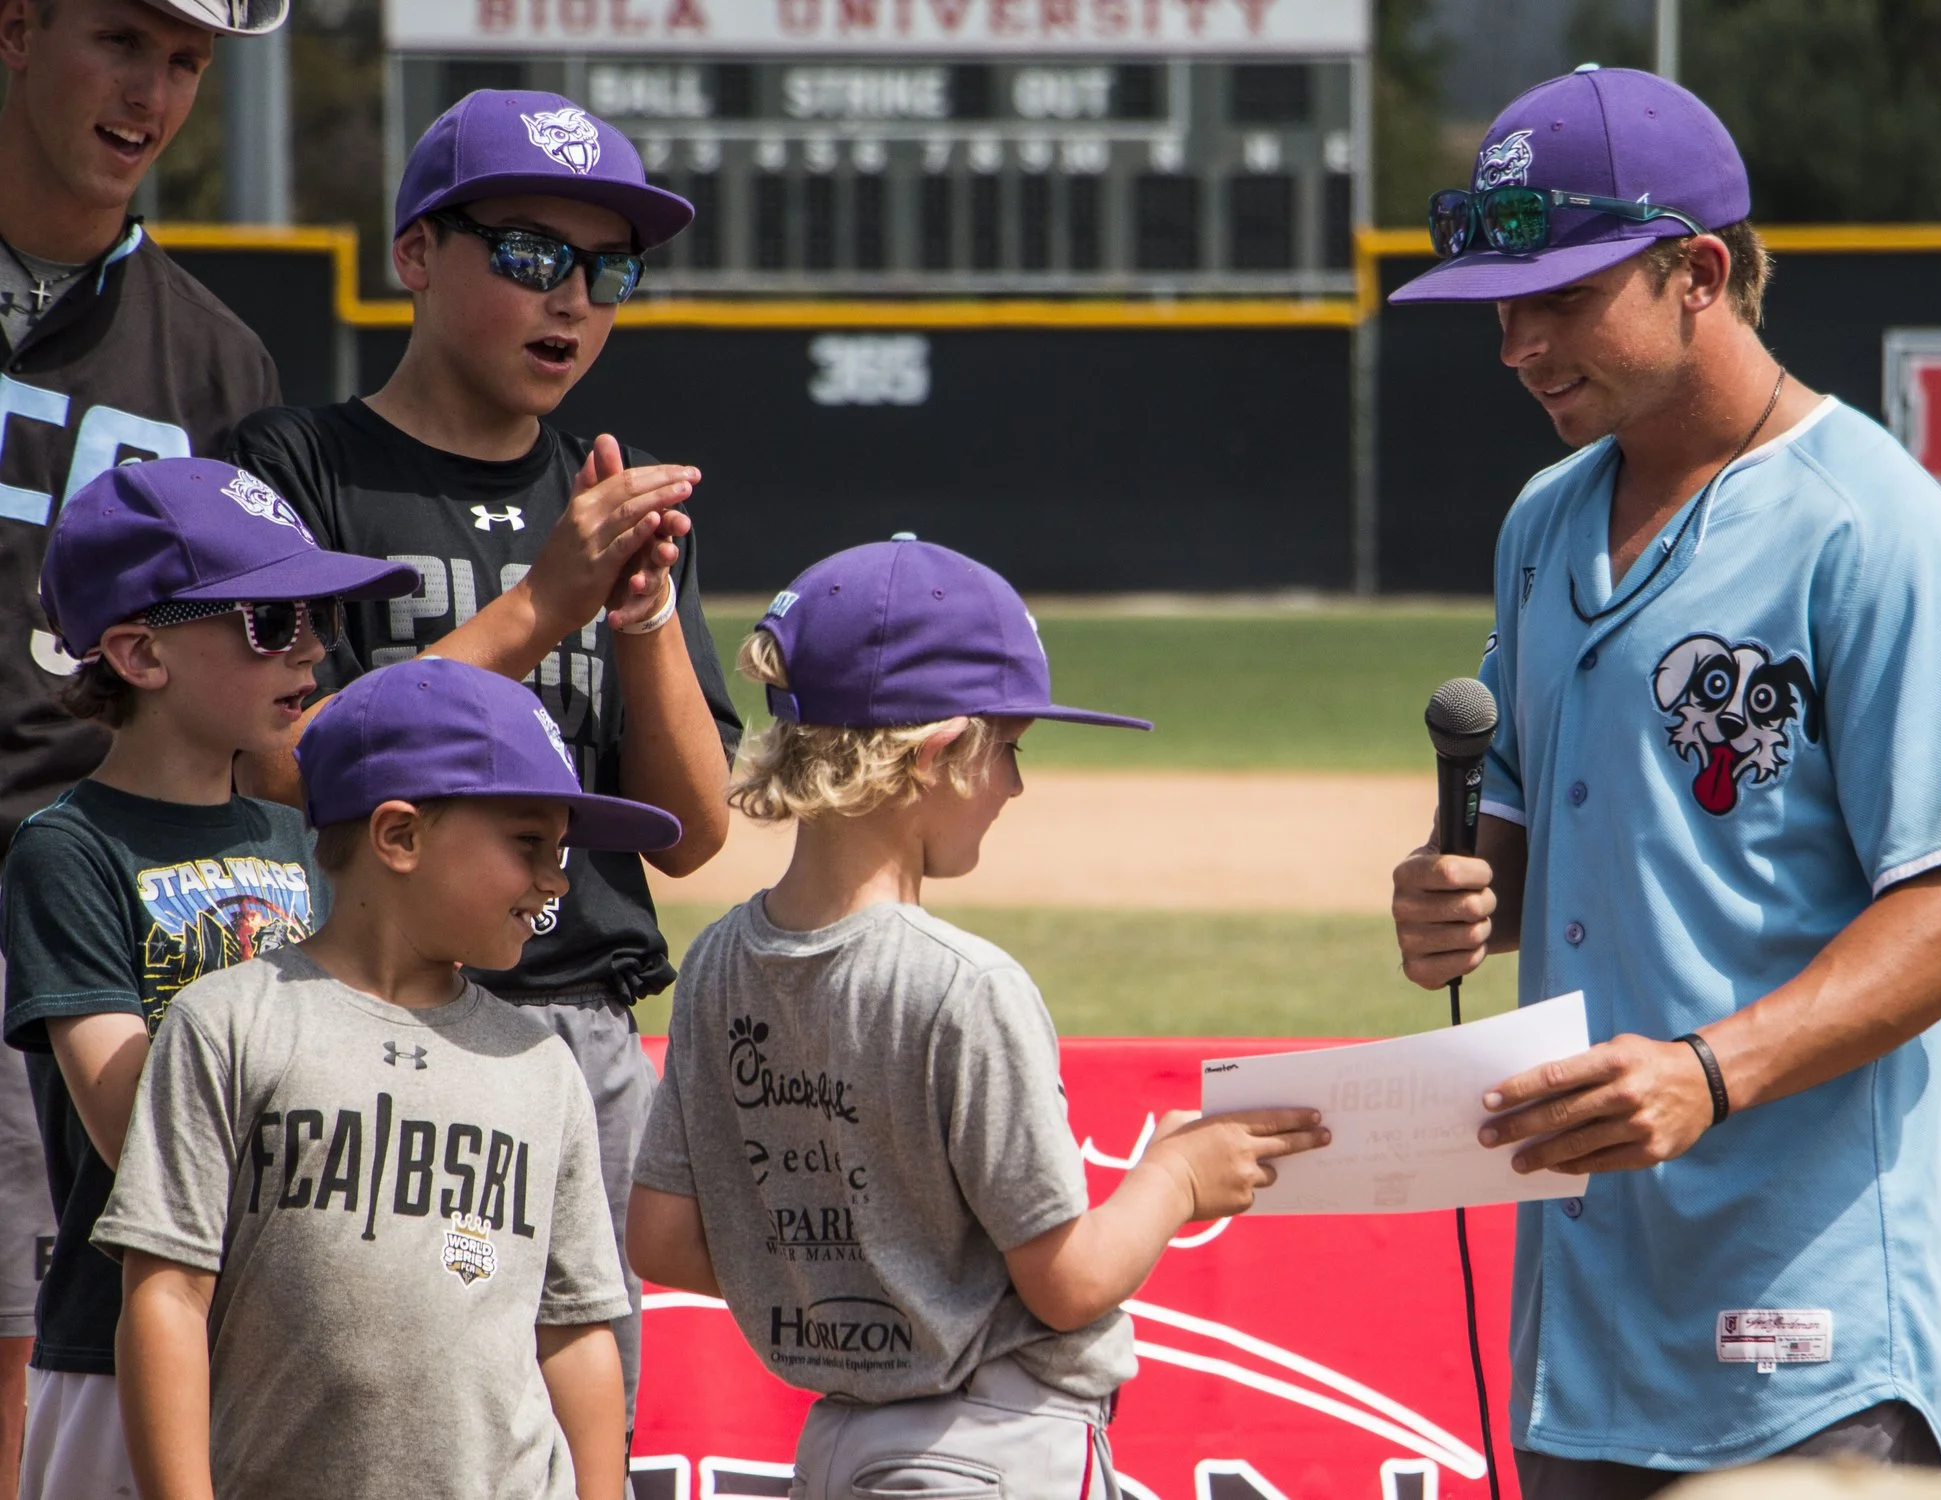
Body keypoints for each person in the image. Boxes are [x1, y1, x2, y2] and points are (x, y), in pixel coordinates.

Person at [1385, 67, 1941, 1492]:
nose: (1516, 343)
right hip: (1589, 1314)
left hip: (1806, 1320)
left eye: (1559, 298)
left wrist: (1709, 1071)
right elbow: (1533, 812)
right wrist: (1463, 890)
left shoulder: (1876, 531)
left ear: (1698, 270)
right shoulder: (1543, 520)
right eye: (1498, 305)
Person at [229, 87, 740, 1430]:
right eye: (529, 254)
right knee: (364, 1402)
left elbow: (691, 832)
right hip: (361, 1026)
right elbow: (290, 760)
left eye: (609, 267)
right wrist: (541, 604)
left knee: (573, 1416)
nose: (573, 296)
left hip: (572, 1030)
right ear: (415, 254)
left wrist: (636, 623)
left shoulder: (604, 494)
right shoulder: (298, 471)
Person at [625, 539, 1328, 1497]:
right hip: (993, 1450)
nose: (1016, 788)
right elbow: (1068, 1281)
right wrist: (1175, 1177)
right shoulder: (966, 986)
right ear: (939, 755)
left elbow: (662, 1238)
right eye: (1009, 752)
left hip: (832, 1448)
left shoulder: (713, 965)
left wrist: (856, 1297)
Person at [98, 656, 676, 1500]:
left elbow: (577, 1330)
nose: (557, 880)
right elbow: (167, 1297)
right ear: (399, 836)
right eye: (529, 844)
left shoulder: (542, 1067)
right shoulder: (229, 1023)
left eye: (560, 849)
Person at [1, 458, 414, 1500]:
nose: (315, 650)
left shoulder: (305, 840)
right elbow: (131, 1116)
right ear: (140, 652)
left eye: (320, 618)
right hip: (119, 1353)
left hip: (303, 1342)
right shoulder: (69, 851)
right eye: (272, 621)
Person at [0, 0, 290, 1476]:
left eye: (187, 62)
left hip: (87, 936)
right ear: (18, 29)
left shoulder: (218, 366)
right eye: (123, 38)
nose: (153, 91)